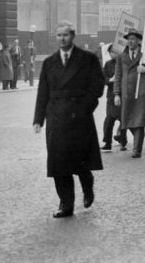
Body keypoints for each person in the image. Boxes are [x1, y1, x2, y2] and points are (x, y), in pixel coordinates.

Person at [32, 21, 105, 218]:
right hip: (56, 118)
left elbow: (97, 86)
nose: (62, 39)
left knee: (80, 162)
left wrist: (84, 108)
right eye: (59, 35)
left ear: (72, 36)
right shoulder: (49, 63)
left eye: (65, 35)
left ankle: (87, 186)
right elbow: (43, 92)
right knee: (58, 164)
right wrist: (38, 118)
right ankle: (66, 204)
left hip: (79, 117)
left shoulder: (87, 59)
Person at [113, 29, 145, 158]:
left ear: (139, 41)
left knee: (139, 121)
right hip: (126, 94)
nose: (130, 41)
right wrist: (116, 93)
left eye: (133, 39)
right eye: (128, 39)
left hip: (141, 93)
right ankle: (136, 141)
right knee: (127, 120)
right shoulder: (121, 57)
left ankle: (136, 149)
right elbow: (118, 76)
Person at [101, 45, 128, 152]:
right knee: (109, 119)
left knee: (123, 119)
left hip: (123, 95)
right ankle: (107, 142)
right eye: (110, 52)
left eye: (114, 52)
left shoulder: (124, 63)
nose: (113, 54)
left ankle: (123, 142)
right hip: (111, 96)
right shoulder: (108, 64)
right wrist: (109, 80)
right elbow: (102, 78)